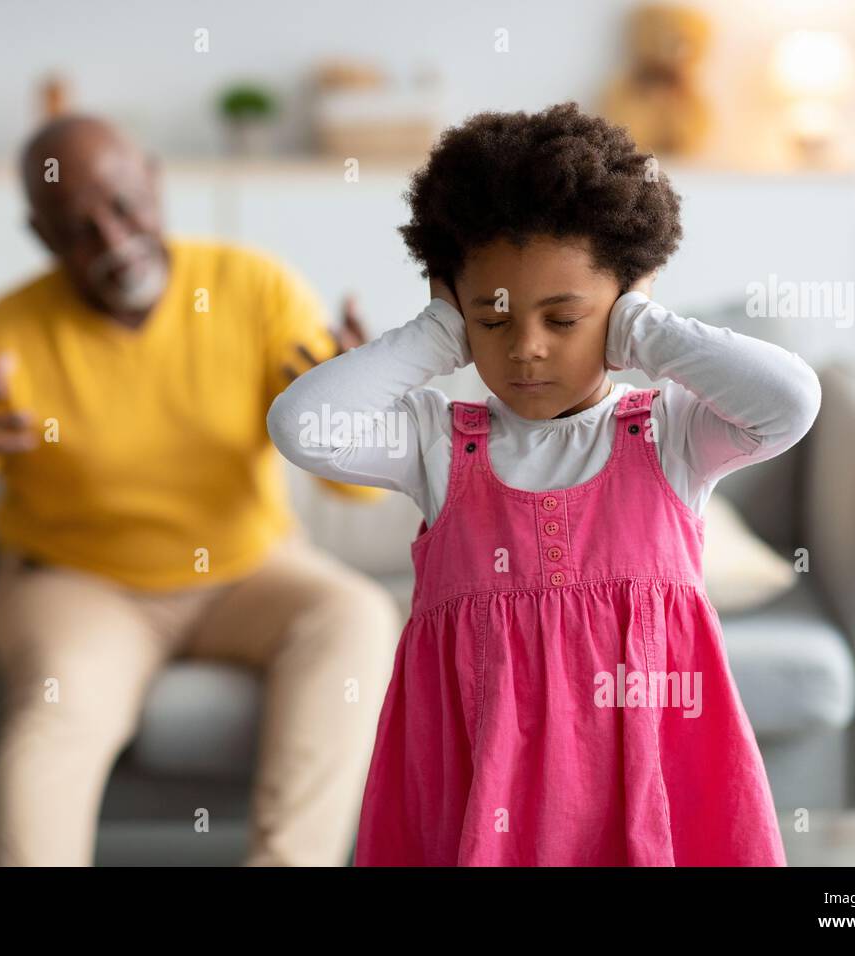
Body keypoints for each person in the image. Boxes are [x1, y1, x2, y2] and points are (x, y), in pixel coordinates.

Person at [267, 101, 822, 865]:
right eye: (492, 321)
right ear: (455, 304)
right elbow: (303, 425)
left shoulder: (674, 435)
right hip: (480, 786)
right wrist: (436, 330)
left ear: (627, 299)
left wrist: (643, 324)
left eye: (563, 320)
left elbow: (791, 402)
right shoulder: (437, 442)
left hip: (645, 776)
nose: (525, 348)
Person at [0, 114, 401, 867]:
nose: (114, 241)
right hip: (79, 586)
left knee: (357, 613)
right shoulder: (1, 341)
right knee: (57, 712)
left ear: (153, 180)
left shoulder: (253, 287)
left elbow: (359, 495)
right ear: (41, 235)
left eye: (123, 206)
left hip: (248, 569)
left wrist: (345, 417)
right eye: (79, 229)